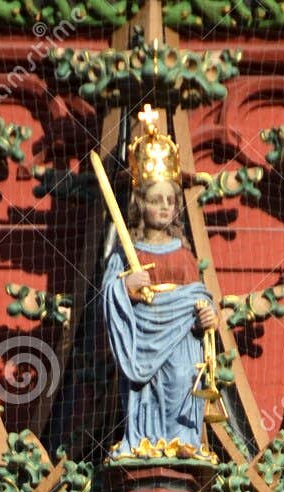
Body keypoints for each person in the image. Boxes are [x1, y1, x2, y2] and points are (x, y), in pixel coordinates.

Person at [101, 107, 219, 455]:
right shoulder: (127, 251)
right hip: (141, 340)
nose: (165, 207)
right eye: (156, 200)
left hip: (182, 340)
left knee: (184, 379)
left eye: (170, 200)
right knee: (145, 390)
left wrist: (208, 313)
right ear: (140, 205)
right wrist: (124, 287)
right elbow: (108, 295)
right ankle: (144, 442)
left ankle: (181, 440)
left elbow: (198, 295)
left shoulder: (184, 253)